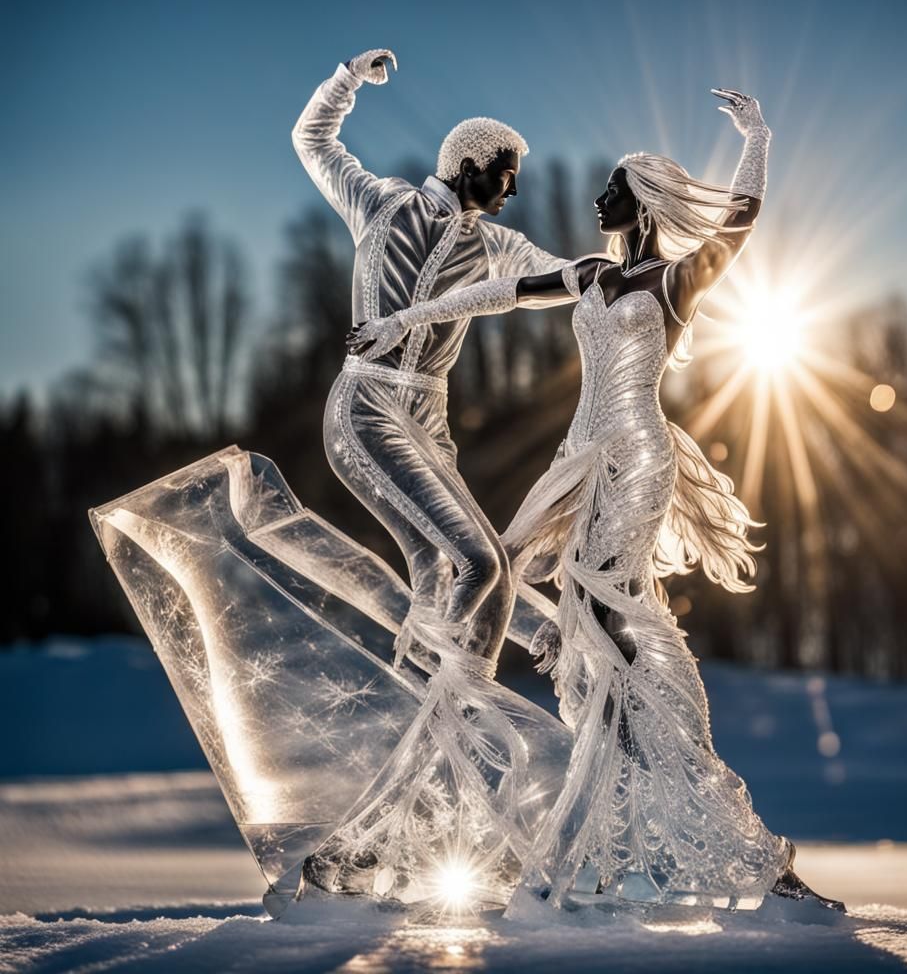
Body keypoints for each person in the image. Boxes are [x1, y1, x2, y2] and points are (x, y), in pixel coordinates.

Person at [350, 89, 845, 913]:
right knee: (554, 601)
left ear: (641, 199)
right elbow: (495, 298)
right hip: (579, 460)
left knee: (609, 618)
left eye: (610, 187)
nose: (595, 199)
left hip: (639, 457)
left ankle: (647, 805)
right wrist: (405, 319)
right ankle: (630, 789)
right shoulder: (588, 273)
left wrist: (756, 135)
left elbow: (743, 219)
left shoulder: (676, 279)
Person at [292, 48, 570, 903]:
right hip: (370, 412)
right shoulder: (380, 205)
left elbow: (555, 279)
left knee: (462, 574)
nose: (515, 189)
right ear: (470, 165)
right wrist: (348, 77)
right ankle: (468, 712)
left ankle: (389, 817)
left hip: (430, 427)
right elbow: (312, 138)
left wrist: (635, 270)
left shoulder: (498, 243)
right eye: (508, 174)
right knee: (480, 564)